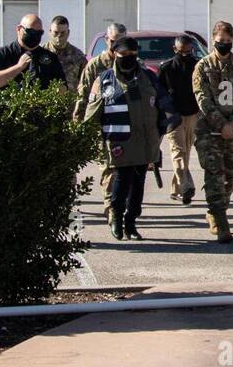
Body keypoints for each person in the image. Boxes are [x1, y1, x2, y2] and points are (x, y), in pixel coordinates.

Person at [83, 36, 178, 241]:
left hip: (145, 142)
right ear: (115, 55)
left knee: (139, 183)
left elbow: (164, 106)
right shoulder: (105, 80)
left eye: (132, 55)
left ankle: (131, 222)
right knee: (122, 180)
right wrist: (88, 138)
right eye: (124, 55)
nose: (128, 58)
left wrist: (162, 133)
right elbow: (91, 115)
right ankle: (116, 216)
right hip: (120, 142)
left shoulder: (148, 77)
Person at [193, 21, 233, 243]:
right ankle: (220, 219)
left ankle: (216, 210)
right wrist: (220, 125)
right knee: (215, 173)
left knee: (231, 177)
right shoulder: (203, 66)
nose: (223, 44)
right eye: (219, 40)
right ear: (213, 39)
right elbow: (202, 99)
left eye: (227, 41)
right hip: (209, 131)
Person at [74, 23, 128, 219]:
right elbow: (83, 95)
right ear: (107, 40)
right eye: (113, 42)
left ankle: (121, 206)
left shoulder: (131, 64)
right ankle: (111, 208)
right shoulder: (95, 66)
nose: (116, 46)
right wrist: (80, 123)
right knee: (108, 168)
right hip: (102, 125)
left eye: (120, 42)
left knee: (125, 169)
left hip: (126, 126)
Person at [157, 35, 201, 204]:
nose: (185, 54)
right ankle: (186, 186)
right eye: (182, 51)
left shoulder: (197, 66)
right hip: (173, 117)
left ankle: (176, 189)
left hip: (192, 115)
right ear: (175, 49)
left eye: (188, 51)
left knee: (186, 152)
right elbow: (158, 93)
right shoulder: (166, 68)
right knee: (178, 151)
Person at [0, 14, 66, 89]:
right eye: (31, 32)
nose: (35, 36)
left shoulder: (49, 57)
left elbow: (62, 87)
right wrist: (19, 67)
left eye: (39, 33)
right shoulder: (3, 54)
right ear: (19, 29)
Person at [45, 15, 87, 92]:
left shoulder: (78, 56)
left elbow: (84, 83)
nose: (59, 36)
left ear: (68, 33)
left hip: (69, 102)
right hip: (45, 101)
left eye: (62, 33)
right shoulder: (41, 52)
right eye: (56, 32)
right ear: (50, 32)